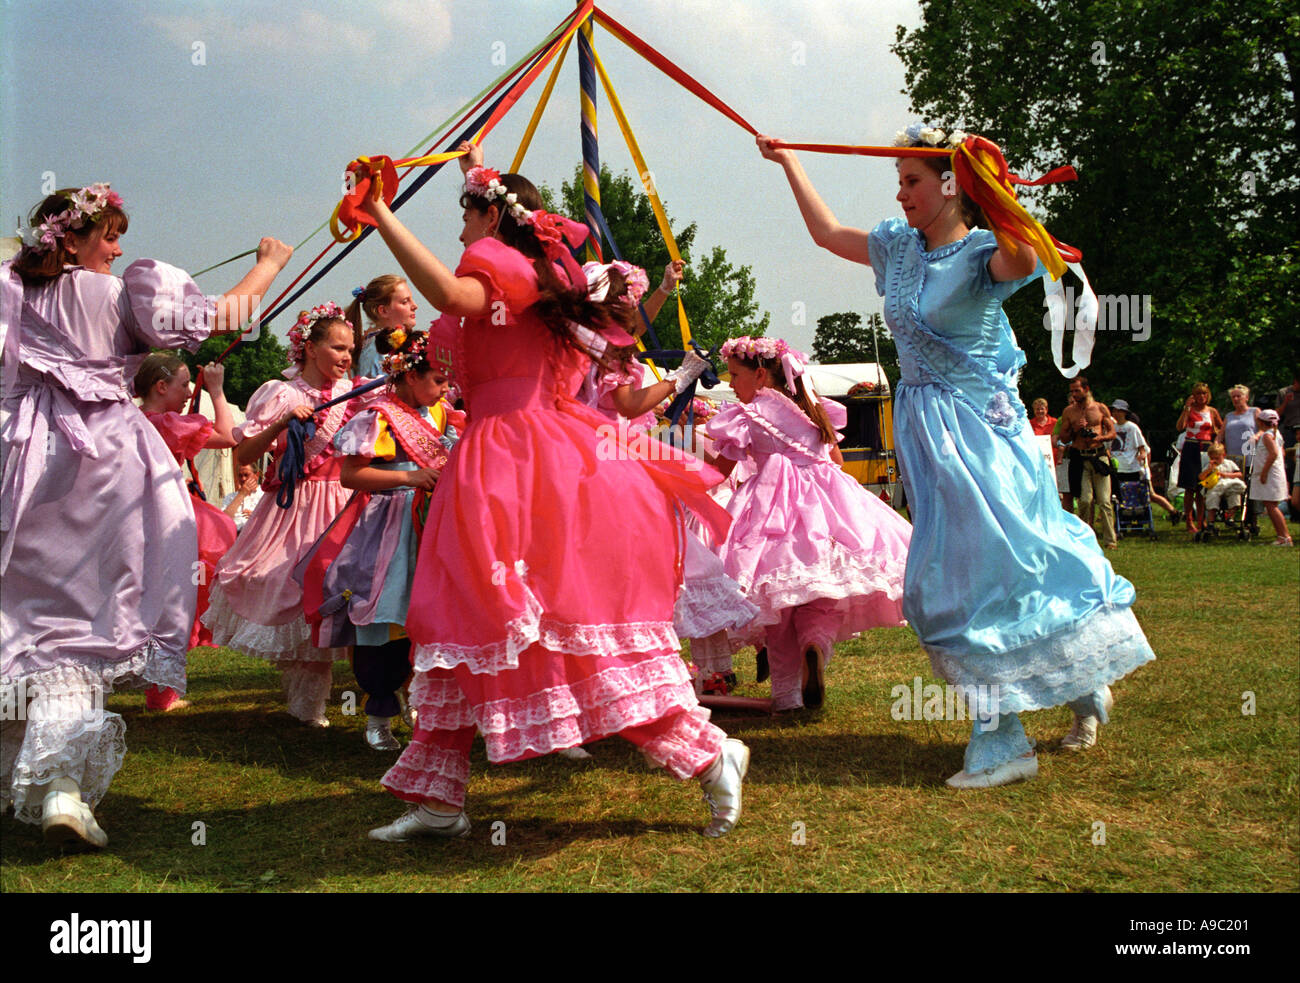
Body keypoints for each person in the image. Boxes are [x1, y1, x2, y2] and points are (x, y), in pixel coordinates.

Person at [355, 144, 750, 839]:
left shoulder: (501, 269)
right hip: (510, 456)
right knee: (461, 620)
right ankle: (440, 800)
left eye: (465, 213)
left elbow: (451, 296)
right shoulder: (532, 274)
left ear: (489, 216)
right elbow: (486, 274)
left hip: (519, 460)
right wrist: (474, 170)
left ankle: (711, 752)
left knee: (556, 629)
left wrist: (381, 212)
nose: (458, 232)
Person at [757, 124, 1154, 786]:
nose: (900, 192)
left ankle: (1004, 739)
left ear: (951, 187)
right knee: (973, 576)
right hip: (926, 439)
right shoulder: (897, 249)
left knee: (986, 577)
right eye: (900, 180)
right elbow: (827, 235)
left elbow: (1025, 258)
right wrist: (790, 161)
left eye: (913, 180)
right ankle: (1071, 694)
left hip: (983, 442)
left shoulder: (981, 256)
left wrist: (989, 184)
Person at [1, 183, 292, 848]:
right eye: (108, 233)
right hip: (95, 467)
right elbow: (225, 315)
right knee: (85, 624)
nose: (119, 245)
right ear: (69, 238)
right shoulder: (114, 294)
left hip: (16, 461)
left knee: (23, 618)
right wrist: (271, 262)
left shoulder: (7, 288)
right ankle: (61, 790)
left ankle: (43, 778)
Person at [705, 336, 911, 711]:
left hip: (772, 510)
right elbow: (836, 460)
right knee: (820, 596)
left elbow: (718, 471)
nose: (731, 384)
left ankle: (786, 698)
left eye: (735, 375)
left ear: (761, 375)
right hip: (828, 505)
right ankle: (815, 644)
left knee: (779, 608)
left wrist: (675, 478)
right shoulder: (813, 408)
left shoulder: (748, 416)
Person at [296, 328, 452, 751]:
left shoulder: (437, 415)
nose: (444, 388)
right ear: (407, 374)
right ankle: (378, 716)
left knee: (431, 618)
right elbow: (351, 475)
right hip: (390, 528)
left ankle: (421, 704)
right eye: (437, 379)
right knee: (386, 618)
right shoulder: (380, 415)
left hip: (430, 523)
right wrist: (410, 476)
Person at [202, 304, 357, 727]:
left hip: (340, 502)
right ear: (309, 348)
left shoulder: (356, 393)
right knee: (290, 589)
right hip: (295, 505)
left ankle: (321, 703)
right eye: (337, 347)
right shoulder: (281, 393)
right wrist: (281, 426)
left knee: (334, 594)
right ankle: (306, 705)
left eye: (351, 349)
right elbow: (244, 456)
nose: (346, 356)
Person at [133, 353, 241, 709]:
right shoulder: (170, 424)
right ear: (161, 387)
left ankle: (154, 687)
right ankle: (161, 692)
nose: (188, 392)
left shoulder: (129, 419)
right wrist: (216, 390)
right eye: (183, 385)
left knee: (143, 598)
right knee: (176, 597)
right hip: (167, 514)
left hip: (131, 518)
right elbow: (228, 435)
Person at [1058, 377, 1118, 548]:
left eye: (1077, 390)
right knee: (1084, 500)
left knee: (1105, 501)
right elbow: (1063, 437)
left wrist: (1100, 437)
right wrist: (1075, 429)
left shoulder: (1100, 408)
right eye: (1072, 391)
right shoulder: (1069, 411)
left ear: (1086, 389)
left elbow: (1112, 433)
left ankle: (1110, 541)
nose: (1074, 394)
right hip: (1080, 457)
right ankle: (1084, 538)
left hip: (1098, 456)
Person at [1110, 399, 1176, 518]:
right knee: (1118, 496)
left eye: (1119, 411)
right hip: (1116, 468)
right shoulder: (1111, 428)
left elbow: (1142, 447)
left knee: (1140, 495)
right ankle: (1121, 520)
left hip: (1131, 467)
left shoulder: (1132, 428)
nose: (1116, 413)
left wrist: (1143, 457)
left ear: (1125, 412)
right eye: (1114, 411)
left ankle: (1140, 518)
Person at [345, 275, 418, 379]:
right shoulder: (378, 350)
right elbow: (375, 393)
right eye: (405, 302)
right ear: (383, 311)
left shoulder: (379, 345)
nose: (415, 306)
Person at [1175, 382, 1223, 534]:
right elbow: (1180, 427)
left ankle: (1202, 520)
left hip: (1206, 447)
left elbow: (1220, 429)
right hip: (1191, 446)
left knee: (1202, 487)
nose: (1201, 397)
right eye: (1198, 394)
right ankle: (1189, 520)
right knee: (1190, 487)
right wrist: (1187, 408)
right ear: (1193, 396)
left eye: (1204, 394)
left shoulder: (1212, 411)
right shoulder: (1189, 410)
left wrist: (1218, 445)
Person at [1247, 410, 1292, 546]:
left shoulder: (1267, 436)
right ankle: (1282, 536)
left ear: (1260, 422)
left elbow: (1273, 454)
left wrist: (1264, 472)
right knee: (1271, 505)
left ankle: (1284, 537)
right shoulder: (1275, 434)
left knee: (1271, 506)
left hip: (1270, 474)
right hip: (1276, 472)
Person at [1199, 443, 1247, 527]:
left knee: (1235, 497)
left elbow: (1239, 474)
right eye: (1212, 458)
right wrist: (1208, 470)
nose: (1214, 460)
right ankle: (1211, 521)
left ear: (1223, 455)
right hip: (1215, 487)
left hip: (1229, 485)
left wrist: (1226, 475)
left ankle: (1229, 517)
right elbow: (1201, 477)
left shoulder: (1229, 463)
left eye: (1217, 458)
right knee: (1212, 497)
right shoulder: (1209, 466)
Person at [222, 461, 265, 531]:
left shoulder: (264, 495)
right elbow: (224, 519)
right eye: (240, 475)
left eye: (246, 475)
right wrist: (242, 494)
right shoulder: (230, 497)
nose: (243, 479)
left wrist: (257, 516)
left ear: (256, 476)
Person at [1221, 385, 1258, 460]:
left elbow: (1263, 429)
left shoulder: (1254, 411)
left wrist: (1257, 436)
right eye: (1233, 397)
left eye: (1238, 396)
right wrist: (1216, 445)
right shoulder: (1228, 416)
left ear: (1246, 397)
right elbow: (1220, 435)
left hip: (1250, 455)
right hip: (1232, 457)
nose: (1236, 399)